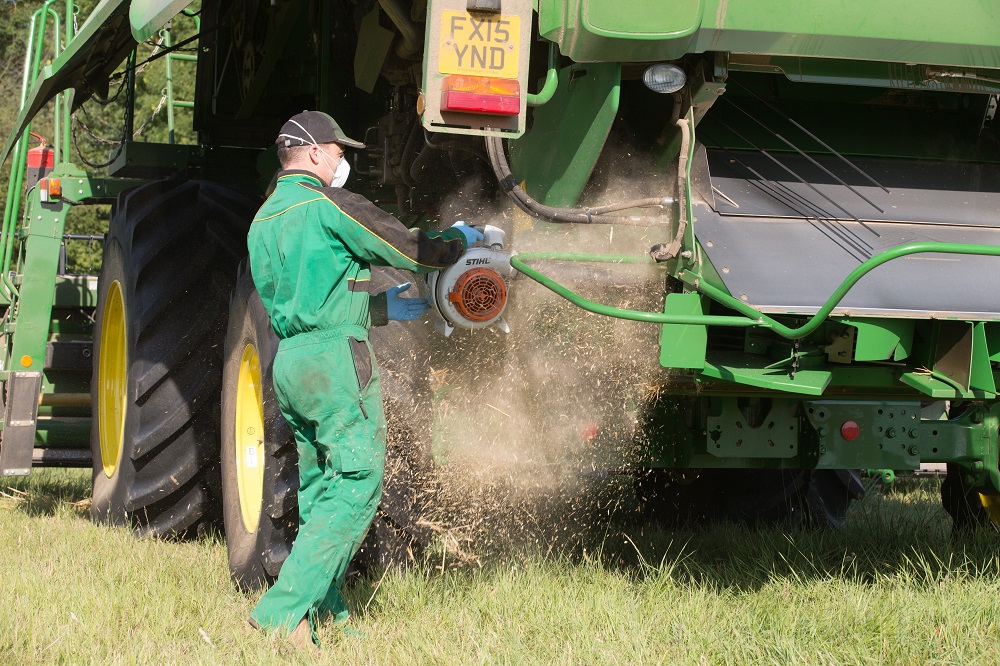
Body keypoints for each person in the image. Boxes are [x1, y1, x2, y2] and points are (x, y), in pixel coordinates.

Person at [246, 111, 483, 650]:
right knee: (357, 481)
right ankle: (282, 611)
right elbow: (409, 249)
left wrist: (379, 308)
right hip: (335, 362)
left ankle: (322, 606)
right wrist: (456, 239)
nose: (343, 161)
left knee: (319, 484)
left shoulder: (263, 220)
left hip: (291, 362)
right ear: (311, 154)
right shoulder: (328, 204)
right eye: (337, 151)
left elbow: (307, 296)